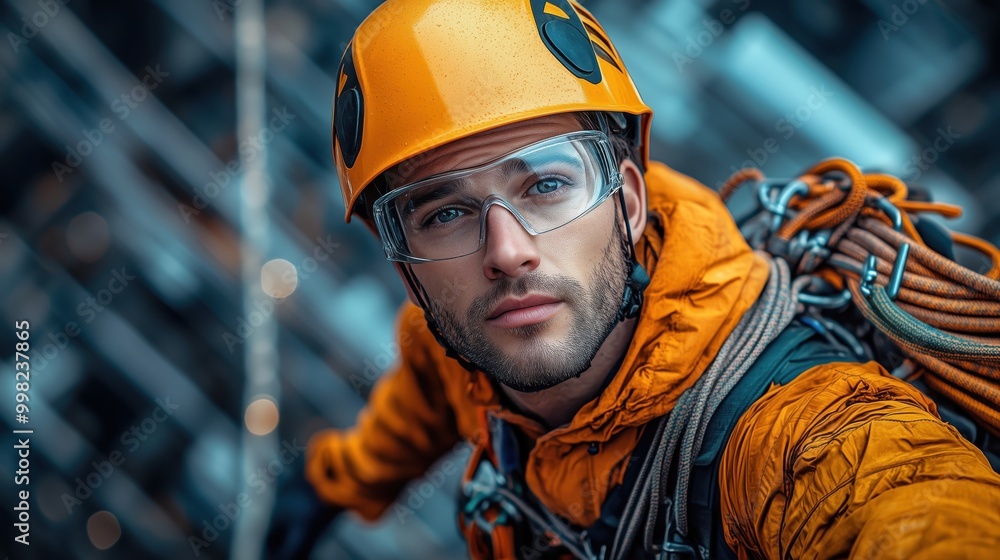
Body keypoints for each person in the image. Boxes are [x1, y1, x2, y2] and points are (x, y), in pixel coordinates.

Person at [266, 1, 1000, 558]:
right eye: (447, 213)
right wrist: (334, 485)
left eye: (546, 185)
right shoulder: (460, 342)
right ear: (406, 267)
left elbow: (906, 502)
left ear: (631, 198)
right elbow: (425, 399)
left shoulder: (797, 436)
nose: (508, 251)